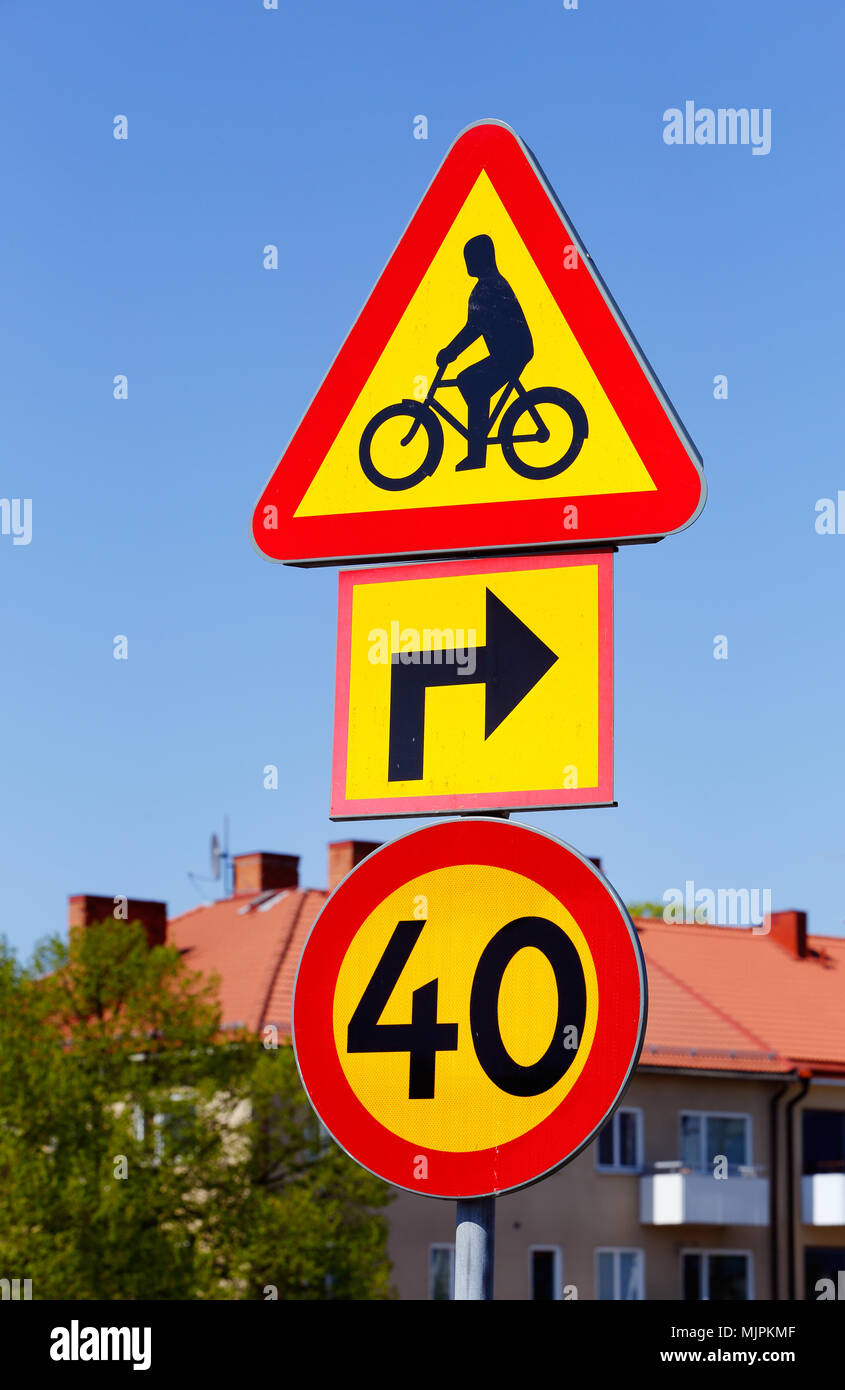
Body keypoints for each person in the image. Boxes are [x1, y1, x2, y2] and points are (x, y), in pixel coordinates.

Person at [436, 235, 534, 471]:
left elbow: (474, 327)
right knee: (468, 380)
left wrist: (450, 352)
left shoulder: (489, 287)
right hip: (508, 351)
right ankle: (478, 443)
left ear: (480, 258)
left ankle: (477, 454)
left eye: (469, 258)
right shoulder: (490, 284)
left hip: (513, 352)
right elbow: (476, 326)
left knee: (471, 382)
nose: (467, 263)